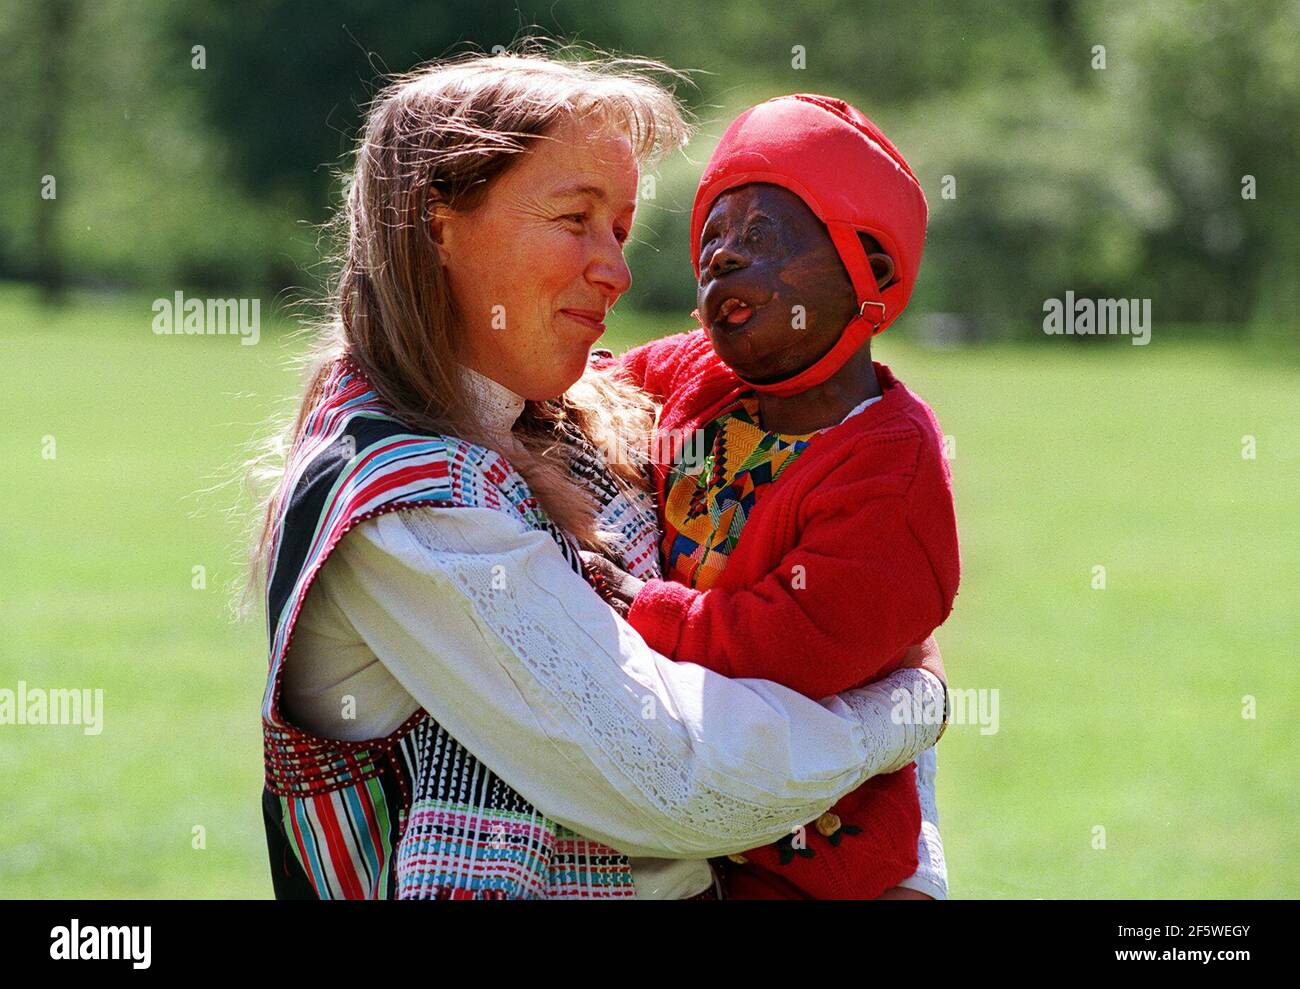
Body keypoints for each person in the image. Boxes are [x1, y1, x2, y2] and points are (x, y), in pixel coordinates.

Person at [252, 49, 949, 900]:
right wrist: (906, 710)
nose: (617, 270)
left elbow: (847, 597)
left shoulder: (572, 408)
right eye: (575, 218)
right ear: (436, 224)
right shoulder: (402, 506)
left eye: (619, 230)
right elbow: (681, 781)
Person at [582, 94, 959, 899]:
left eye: (759, 237)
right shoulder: (699, 376)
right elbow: (581, 391)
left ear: (872, 269)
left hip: (820, 844)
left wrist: (642, 608)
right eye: (711, 239)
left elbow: (797, 643)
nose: (720, 256)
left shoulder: (890, 464)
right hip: (700, 812)